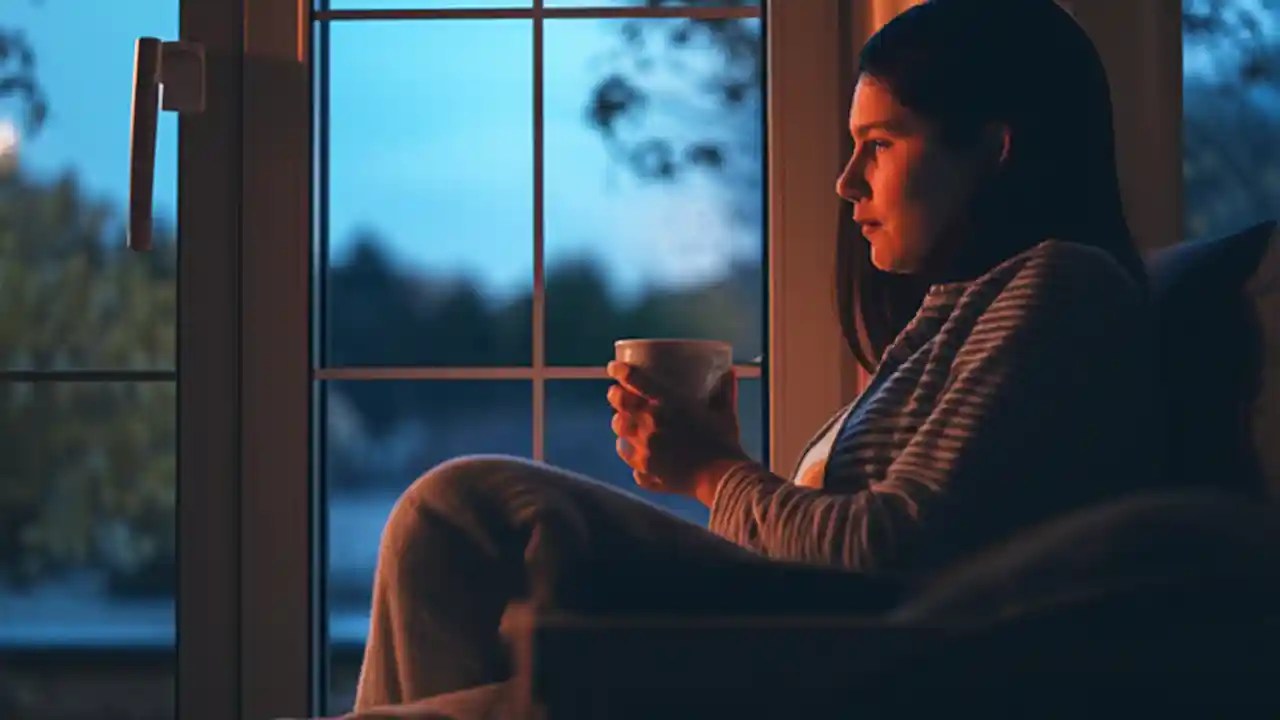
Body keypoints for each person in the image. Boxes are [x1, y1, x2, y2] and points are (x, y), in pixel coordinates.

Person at [345, 0, 1168, 715]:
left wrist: (713, 474)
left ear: (994, 148)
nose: (847, 183)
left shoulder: (1060, 281)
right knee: (451, 525)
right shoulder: (956, 314)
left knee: (462, 508)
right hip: (809, 639)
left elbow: (892, 555)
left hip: (866, 664)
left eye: (879, 143)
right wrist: (719, 467)